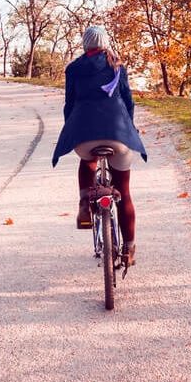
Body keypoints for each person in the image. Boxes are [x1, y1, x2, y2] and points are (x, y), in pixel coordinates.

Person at [51, 25, 147, 267]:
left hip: (85, 136)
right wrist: (130, 127)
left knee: (87, 159)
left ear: (85, 44)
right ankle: (129, 249)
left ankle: (85, 203)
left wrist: (71, 128)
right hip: (118, 135)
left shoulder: (73, 69)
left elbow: (69, 104)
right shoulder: (117, 66)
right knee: (123, 194)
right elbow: (128, 102)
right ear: (105, 43)